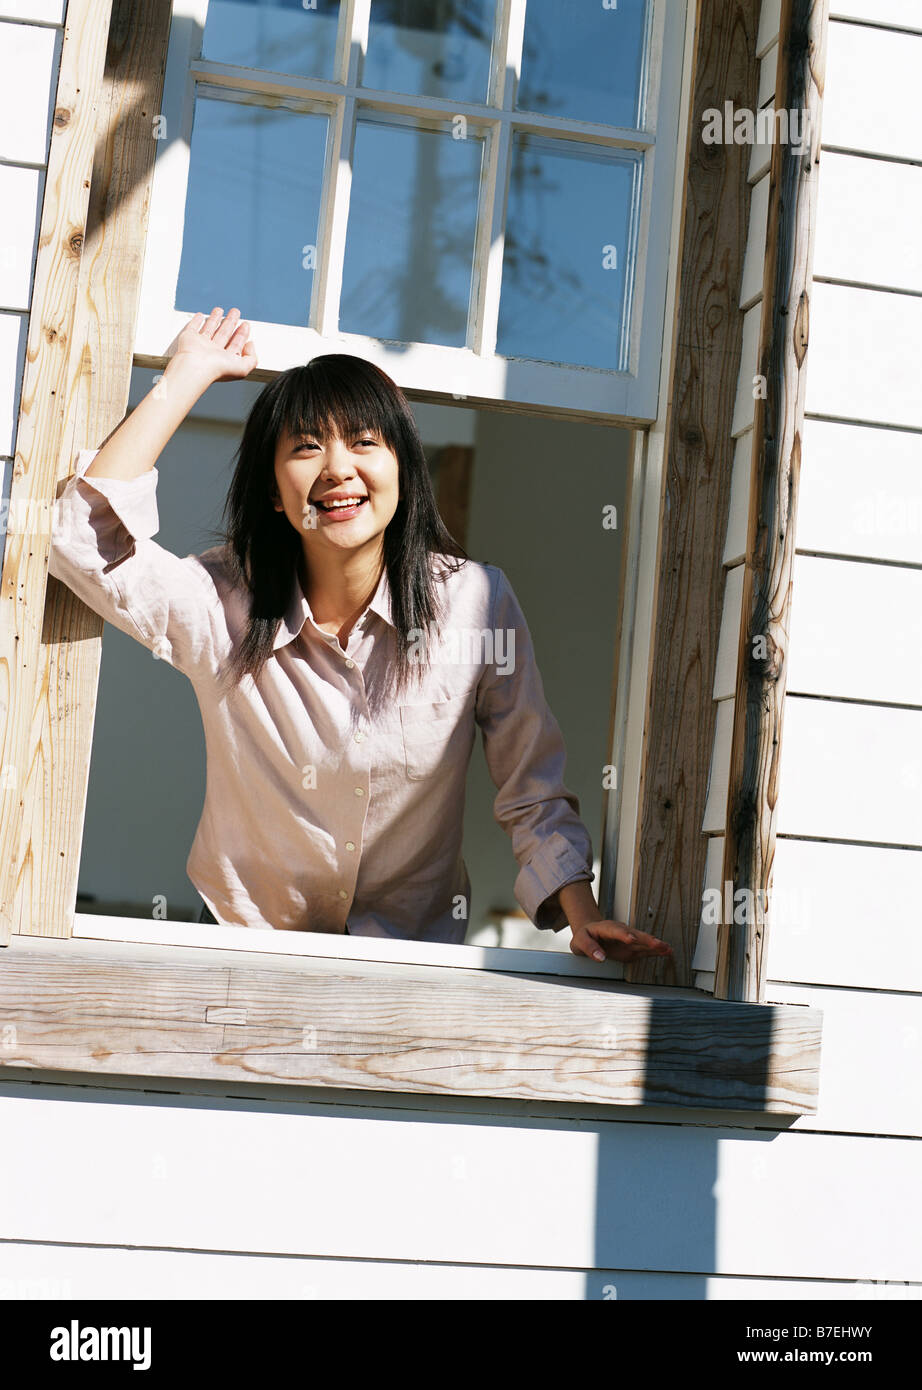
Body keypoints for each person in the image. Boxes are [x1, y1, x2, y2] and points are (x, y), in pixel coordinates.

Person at [49, 306, 673, 966]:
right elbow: (81, 543)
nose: (337, 468)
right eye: (307, 446)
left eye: (365, 441)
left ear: (404, 467)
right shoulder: (219, 600)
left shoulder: (475, 604)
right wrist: (186, 375)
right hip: (238, 946)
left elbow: (530, 787)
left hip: (411, 960)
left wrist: (583, 914)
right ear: (271, 489)